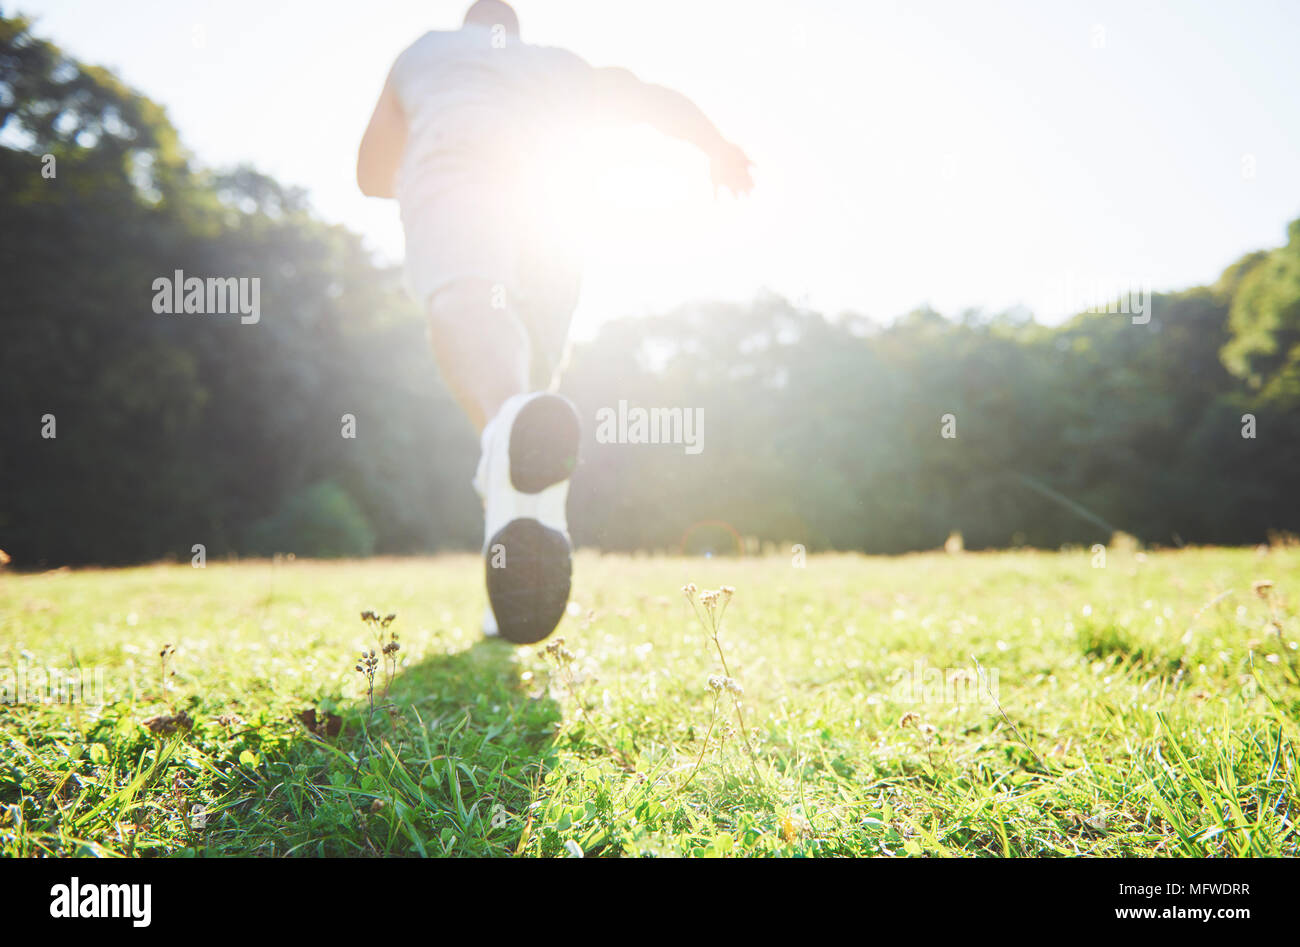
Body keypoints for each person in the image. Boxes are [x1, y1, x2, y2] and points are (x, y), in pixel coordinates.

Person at [357, 0, 753, 643]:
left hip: (457, 171)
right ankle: (510, 492)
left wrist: (421, 183)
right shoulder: (557, 65)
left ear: (469, 22)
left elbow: (369, 173)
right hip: (548, 205)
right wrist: (717, 145)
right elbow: (647, 97)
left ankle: (506, 441)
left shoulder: (425, 50)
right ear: (515, 29)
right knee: (528, 402)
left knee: (466, 304)